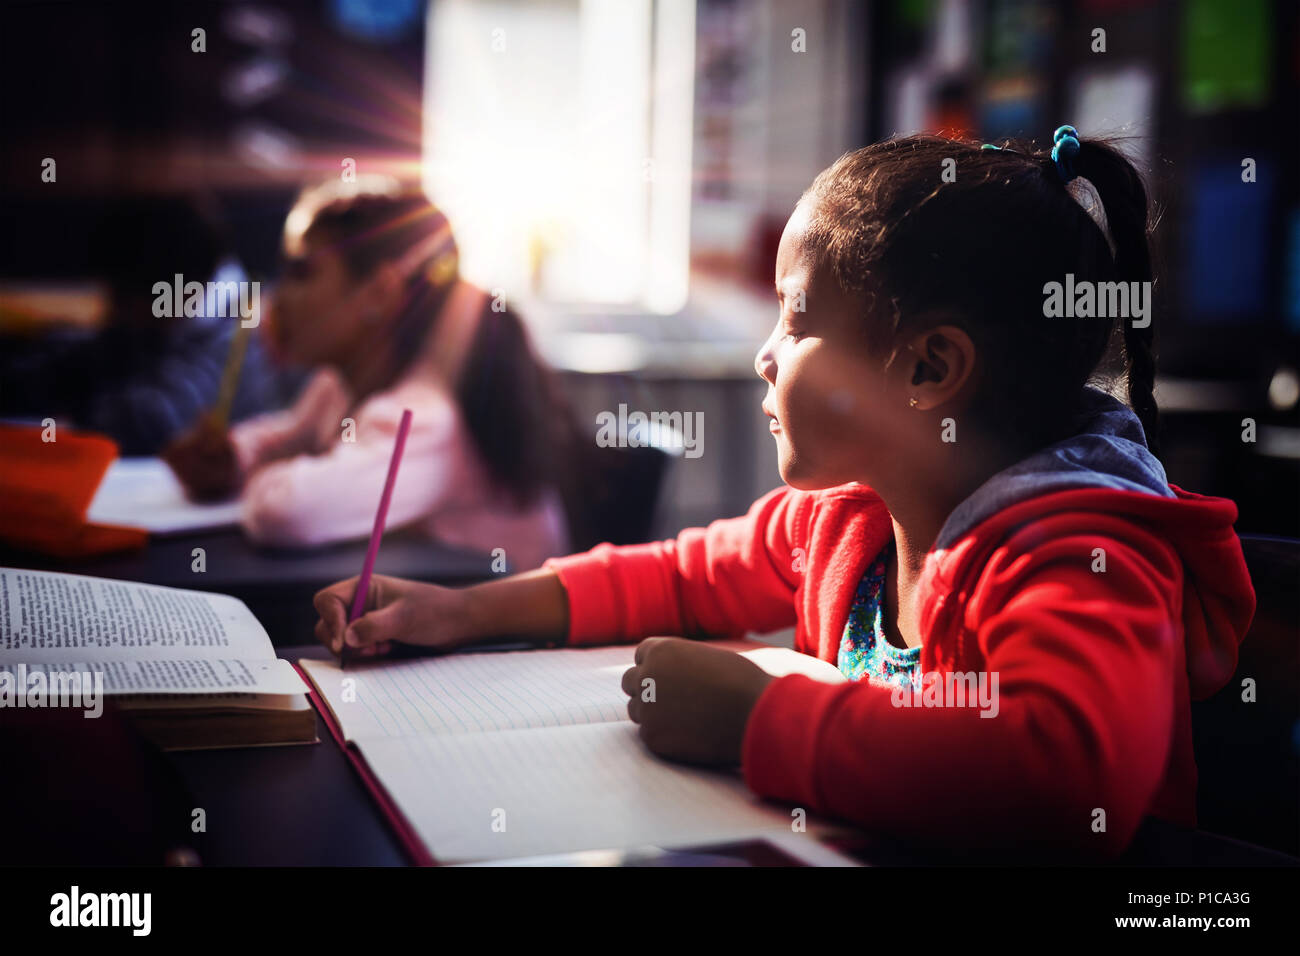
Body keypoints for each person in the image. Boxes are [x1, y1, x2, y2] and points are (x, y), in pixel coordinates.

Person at [311, 130, 1256, 861]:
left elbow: (1066, 777)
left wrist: (756, 721)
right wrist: (462, 609)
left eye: (796, 317)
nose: (764, 352)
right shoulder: (848, 516)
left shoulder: (1083, 556)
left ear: (928, 367)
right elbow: (683, 575)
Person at [166, 182, 575, 571]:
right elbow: (287, 436)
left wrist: (258, 476)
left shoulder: (425, 417)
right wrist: (232, 457)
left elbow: (289, 513)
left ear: (379, 292)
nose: (276, 298)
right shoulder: (337, 385)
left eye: (302, 272)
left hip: (502, 637)